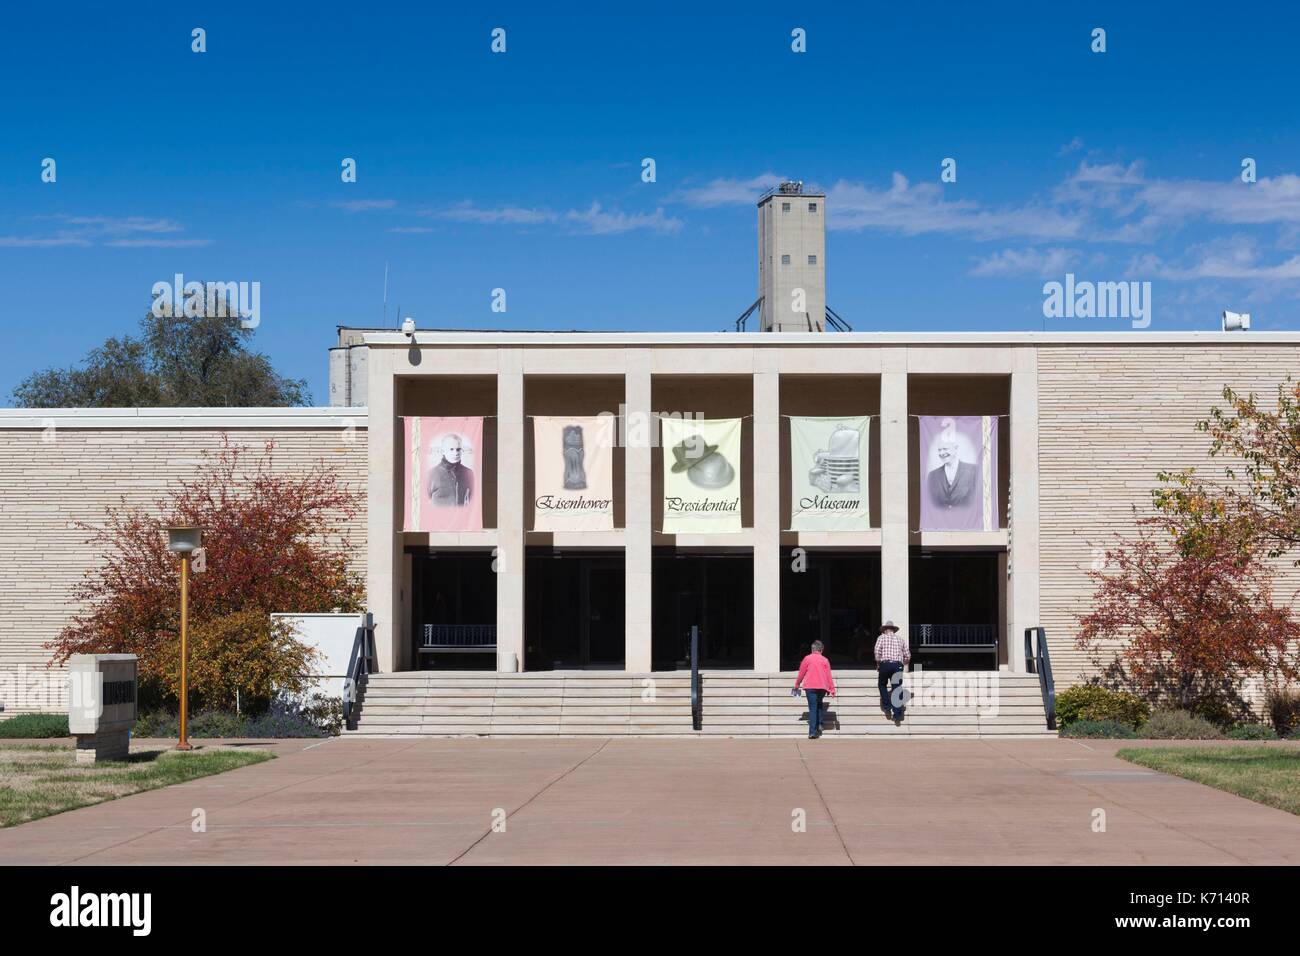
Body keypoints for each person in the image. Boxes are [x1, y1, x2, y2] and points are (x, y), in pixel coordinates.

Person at [793, 640, 836, 739]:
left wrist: (797, 684)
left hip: (810, 687)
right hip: (822, 687)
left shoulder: (807, 659)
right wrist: (832, 689)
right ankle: (820, 723)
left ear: (812, 649)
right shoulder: (825, 660)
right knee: (819, 703)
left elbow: (801, 673)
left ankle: (812, 732)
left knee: (813, 709)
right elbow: (828, 675)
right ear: (821, 650)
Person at [874, 620, 910, 724]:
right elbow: (907, 655)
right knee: (897, 689)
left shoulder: (881, 638)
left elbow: (877, 653)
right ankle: (897, 714)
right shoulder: (900, 639)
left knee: (882, 685)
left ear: (885, 630)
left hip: (885, 664)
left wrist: (878, 663)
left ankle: (887, 706)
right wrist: (902, 664)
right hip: (897, 665)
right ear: (893, 630)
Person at [427, 433, 473, 506]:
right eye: (451, 449)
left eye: (458, 449)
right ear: (443, 451)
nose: (456, 453)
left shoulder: (469, 473)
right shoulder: (431, 474)